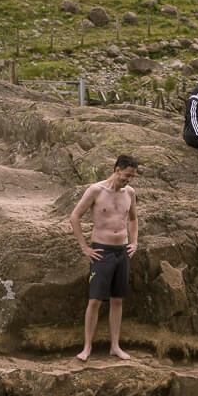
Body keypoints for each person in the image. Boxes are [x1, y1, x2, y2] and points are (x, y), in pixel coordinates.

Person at [69, 154, 139, 361]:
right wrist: (84, 247)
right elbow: (75, 216)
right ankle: (87, 347)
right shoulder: (96, 190)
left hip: (122, 252)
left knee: (118, 300)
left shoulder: (130, 193)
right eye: (127, 175)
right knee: (95, 300)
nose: (129, 180)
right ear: (117, 169)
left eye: (132, 177)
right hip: (102, 251)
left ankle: (115, 346)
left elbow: (133, 218)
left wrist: (134, 242)